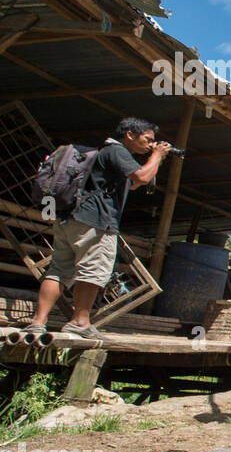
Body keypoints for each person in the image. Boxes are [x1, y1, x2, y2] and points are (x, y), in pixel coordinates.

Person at [25, 118, 171, 339]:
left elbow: (134, 183)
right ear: (130, 134)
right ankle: (80, 322)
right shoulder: (117, 151)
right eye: (147, 139)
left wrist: (153, 161)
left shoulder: (102, 150)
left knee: (58, 271)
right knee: (92, 272)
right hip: (95, 222)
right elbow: (141, 176)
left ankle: (38, 322)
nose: (150, 144)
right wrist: (158, 156)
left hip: (70, 219)